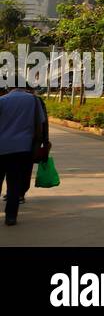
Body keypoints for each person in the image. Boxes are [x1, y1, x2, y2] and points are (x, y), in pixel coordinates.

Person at [0, 85, 49, 226]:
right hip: (23, 147)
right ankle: (10, 217)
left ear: (10, 86)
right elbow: (41, 123)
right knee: (14, 183)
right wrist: (42, 143)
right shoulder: (34, 100)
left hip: (2, 147)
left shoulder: (2, 100)